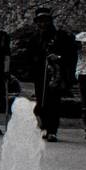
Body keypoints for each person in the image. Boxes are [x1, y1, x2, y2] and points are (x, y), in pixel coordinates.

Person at [29, 7, 75, 141]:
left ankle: (52, 130)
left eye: (45, 21)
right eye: (39, 21)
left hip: (56, 74)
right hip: (40, 74)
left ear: (50, 21)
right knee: (41, 101)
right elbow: (30, 55)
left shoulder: (62, 36)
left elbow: (71, 55)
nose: (42, 24)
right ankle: (43, 127)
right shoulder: (35, 37)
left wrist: (59, 58)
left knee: (54, 103)